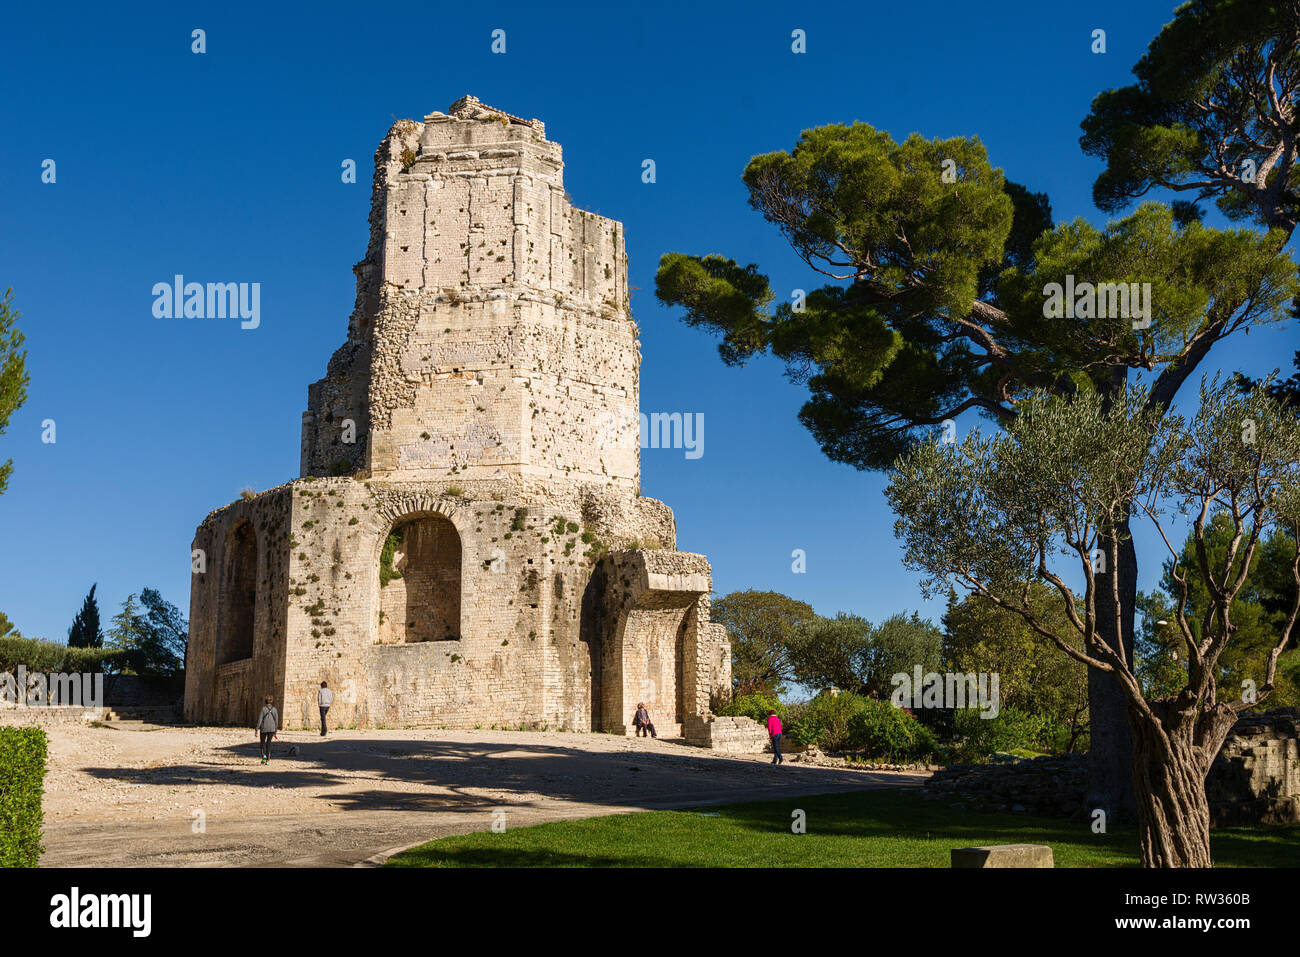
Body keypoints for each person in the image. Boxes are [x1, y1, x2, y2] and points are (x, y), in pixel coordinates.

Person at [255, 695, 279, 764]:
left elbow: (260, 720)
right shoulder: (274, 709)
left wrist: (256, 729)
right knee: (269, 743)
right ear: (272, 701)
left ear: (265, 701)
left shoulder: (263, 709)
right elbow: (276, 721)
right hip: (272, 729)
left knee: (262, 743)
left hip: (264, 728)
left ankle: (263, 756)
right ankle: (268, 760)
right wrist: (275, 731)